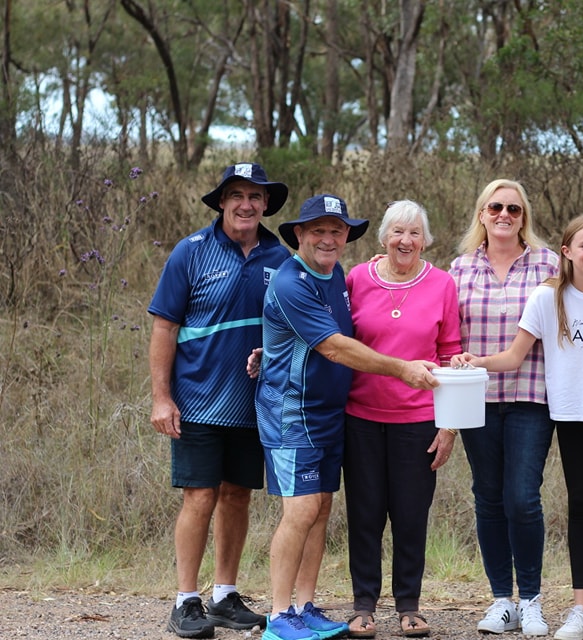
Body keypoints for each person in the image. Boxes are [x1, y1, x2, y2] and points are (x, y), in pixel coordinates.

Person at [453, 214, 583, 640]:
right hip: (571, 412)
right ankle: (581, 608)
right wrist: (477, 361)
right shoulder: (548, 298)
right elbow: (514, 356)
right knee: (581, 502)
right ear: (567, 252)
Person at [253, 194, 440, 640]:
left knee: (319, 508)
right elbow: (335, 346)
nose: (328, 239)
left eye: (337, 231)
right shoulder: (290, 282)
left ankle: (305, 605)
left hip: (329, 415)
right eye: (318, 230)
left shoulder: (337, 274)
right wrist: (401, 368)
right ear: (298, 234)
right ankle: (279, 618)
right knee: (299, 511)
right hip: (291, 415)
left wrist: (268, 347)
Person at [148, 162, 290, 638]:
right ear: (222, 202)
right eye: (236, 196)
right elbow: (164, 326)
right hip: (197, 401)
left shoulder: (281, 256)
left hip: (254, 404)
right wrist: (161, 398)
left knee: (236, 496)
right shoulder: (191, 252)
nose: (245, 205)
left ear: (266, 204)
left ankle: (225, 594)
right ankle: (186, 602)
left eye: (254, 196)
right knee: (200, 496)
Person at [342, 200, 461, 638]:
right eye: (397, 232)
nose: (405, 240)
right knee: (366, 515)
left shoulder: (443, 284)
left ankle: (409, 605)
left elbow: (450, 356)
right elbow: (337, 341)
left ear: (425, 240)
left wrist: (449, 427)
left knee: (411, 516)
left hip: (419, 421)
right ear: (383, 239)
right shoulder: (357, 279)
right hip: (361, 417)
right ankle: (363, 606)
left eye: (414, 233)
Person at [448, 179, 560, 637]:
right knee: (488, 497)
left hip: (532, 396)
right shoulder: (459, 269)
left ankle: (531, 600)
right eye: (495, 207)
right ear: (481, 213)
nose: (504, 215)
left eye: (514, 209)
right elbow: (446, 329)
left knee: (522, 497)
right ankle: (501, 601)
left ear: (524, 216)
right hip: (476, 400)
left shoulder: (548, 264)